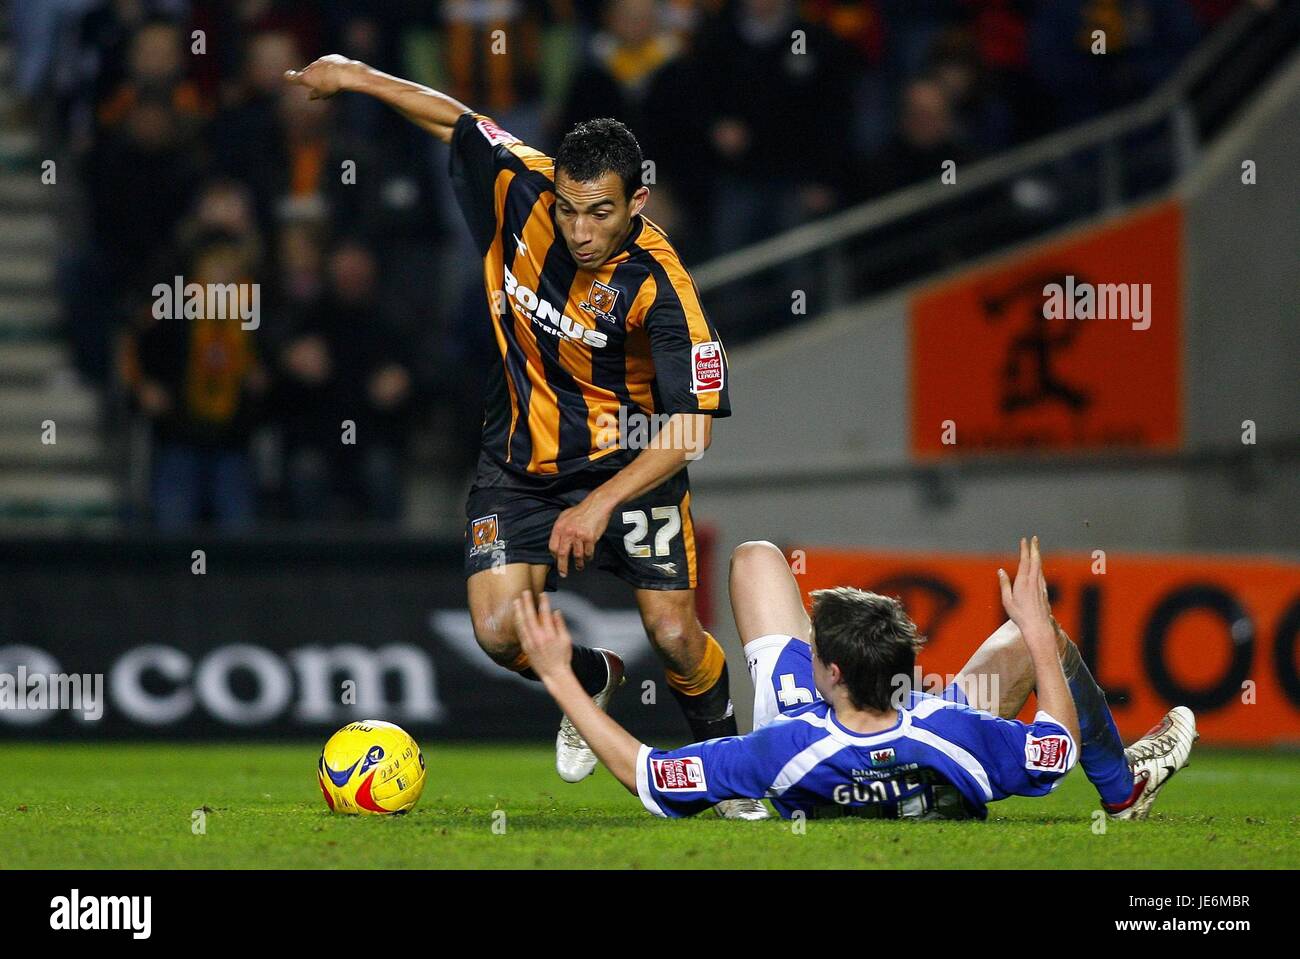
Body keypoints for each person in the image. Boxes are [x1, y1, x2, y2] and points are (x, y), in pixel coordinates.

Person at [284, 54, 758, 817]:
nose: (578, 228)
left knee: (673, 632)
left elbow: (691, 427)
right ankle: (591, 677)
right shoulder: (520, 184)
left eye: (599, 212)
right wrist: (353, 74)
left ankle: (727, 776)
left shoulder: (663, 288)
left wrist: (599, 503)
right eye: (568, 208)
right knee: (499, 632)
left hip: (631, 465)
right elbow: (454, 117)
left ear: (638, 199)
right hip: (519, 462)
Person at [512, 536, 1198, 821]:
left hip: (812, 755)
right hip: (915, 748)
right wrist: (1040, 634)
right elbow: (1057, 745)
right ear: (907, 675)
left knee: (753, 557)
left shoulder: (782, 747)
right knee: (1036, 644)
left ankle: (740, 802)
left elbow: (644, 771)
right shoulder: (956, 730)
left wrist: (561, 678)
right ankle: (1123, 789)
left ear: (828, 671)